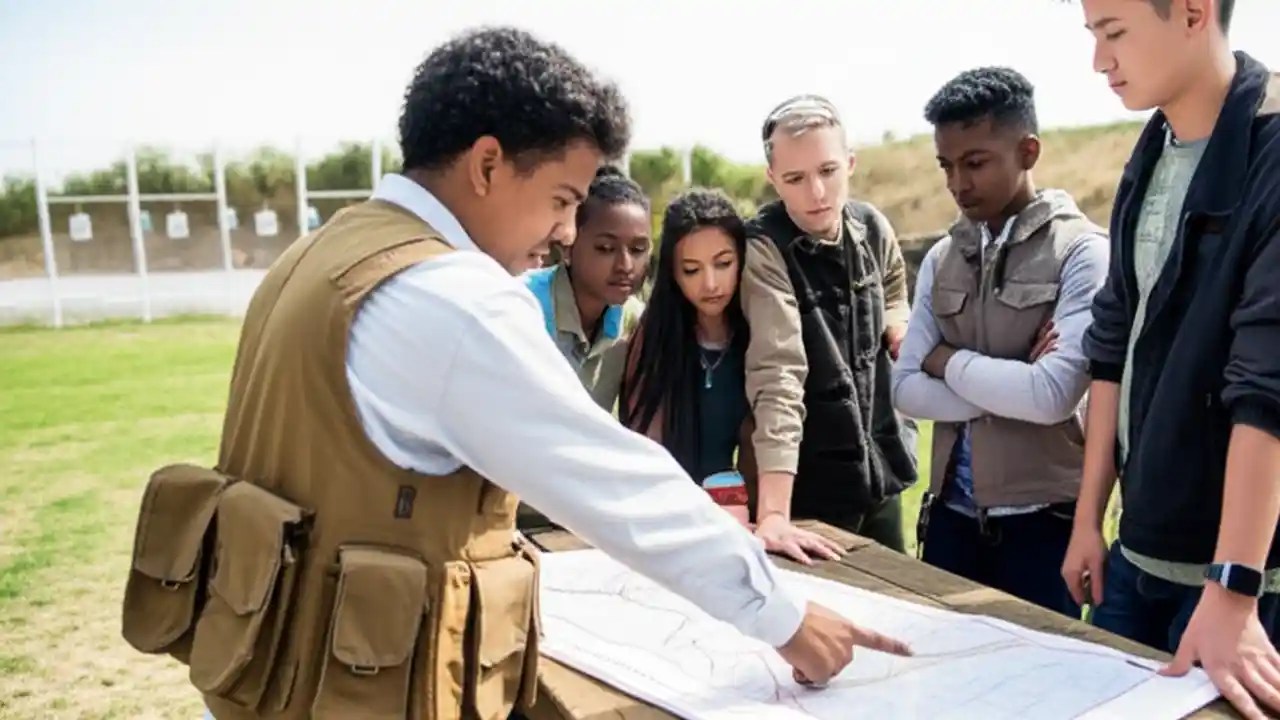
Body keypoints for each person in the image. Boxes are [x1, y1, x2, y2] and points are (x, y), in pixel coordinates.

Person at [118, 27, 911, 720]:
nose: (567, 233)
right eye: (563, 199)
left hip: (265, 673)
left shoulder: (322, 251)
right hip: (348, 691)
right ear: (488, 165)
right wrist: (785, 621)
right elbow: (616, 481)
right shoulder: (456, 298)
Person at [1062, 1, 1280, 717]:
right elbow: (1110, 347)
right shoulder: (1152, 146)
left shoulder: (1272, 154)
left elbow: (1267, 387)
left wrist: (1232, 589)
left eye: (1115, 32)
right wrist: (1088, 519)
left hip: (1246, 594)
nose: (1099, 60)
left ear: (1192, 12)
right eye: (1093, 34)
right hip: (1135, 559)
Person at [892, 67, 1108, 617]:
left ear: (1028, 151)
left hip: (1045, 528)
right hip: (949, 522)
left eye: (976, 162)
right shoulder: (942, 257)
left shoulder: (1083, 253)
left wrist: (946, 360)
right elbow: (906, 391)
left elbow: (1053, 397)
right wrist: (1014, 385)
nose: (958, 184)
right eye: (946, 165)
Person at [741, 94, 918, 559]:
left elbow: (896, 286)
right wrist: (775, 514)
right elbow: (778, 371)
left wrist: (897, 324)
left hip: (883, 469)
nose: (816, 193)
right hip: (807, 488)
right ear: (772, 179)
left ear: (850, 164)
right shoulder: (764, 248)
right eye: (795, 179)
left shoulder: (873, 227)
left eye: (828, 171)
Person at [619, 188, 840, 550]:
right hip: (670, 520)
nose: (710, 284)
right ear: (672, 274)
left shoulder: (758, 336)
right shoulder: (656, 337)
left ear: (742, 261)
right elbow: (647, 447)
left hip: (749, 519)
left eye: (723, 263)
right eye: (691, 270)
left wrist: (770, 516)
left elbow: (777, 410)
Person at [524, 165, 651, 412]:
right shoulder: (523, 306)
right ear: (568, 247)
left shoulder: (635, 323)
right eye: (605, 248)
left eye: (637, 250)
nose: (625, 265)